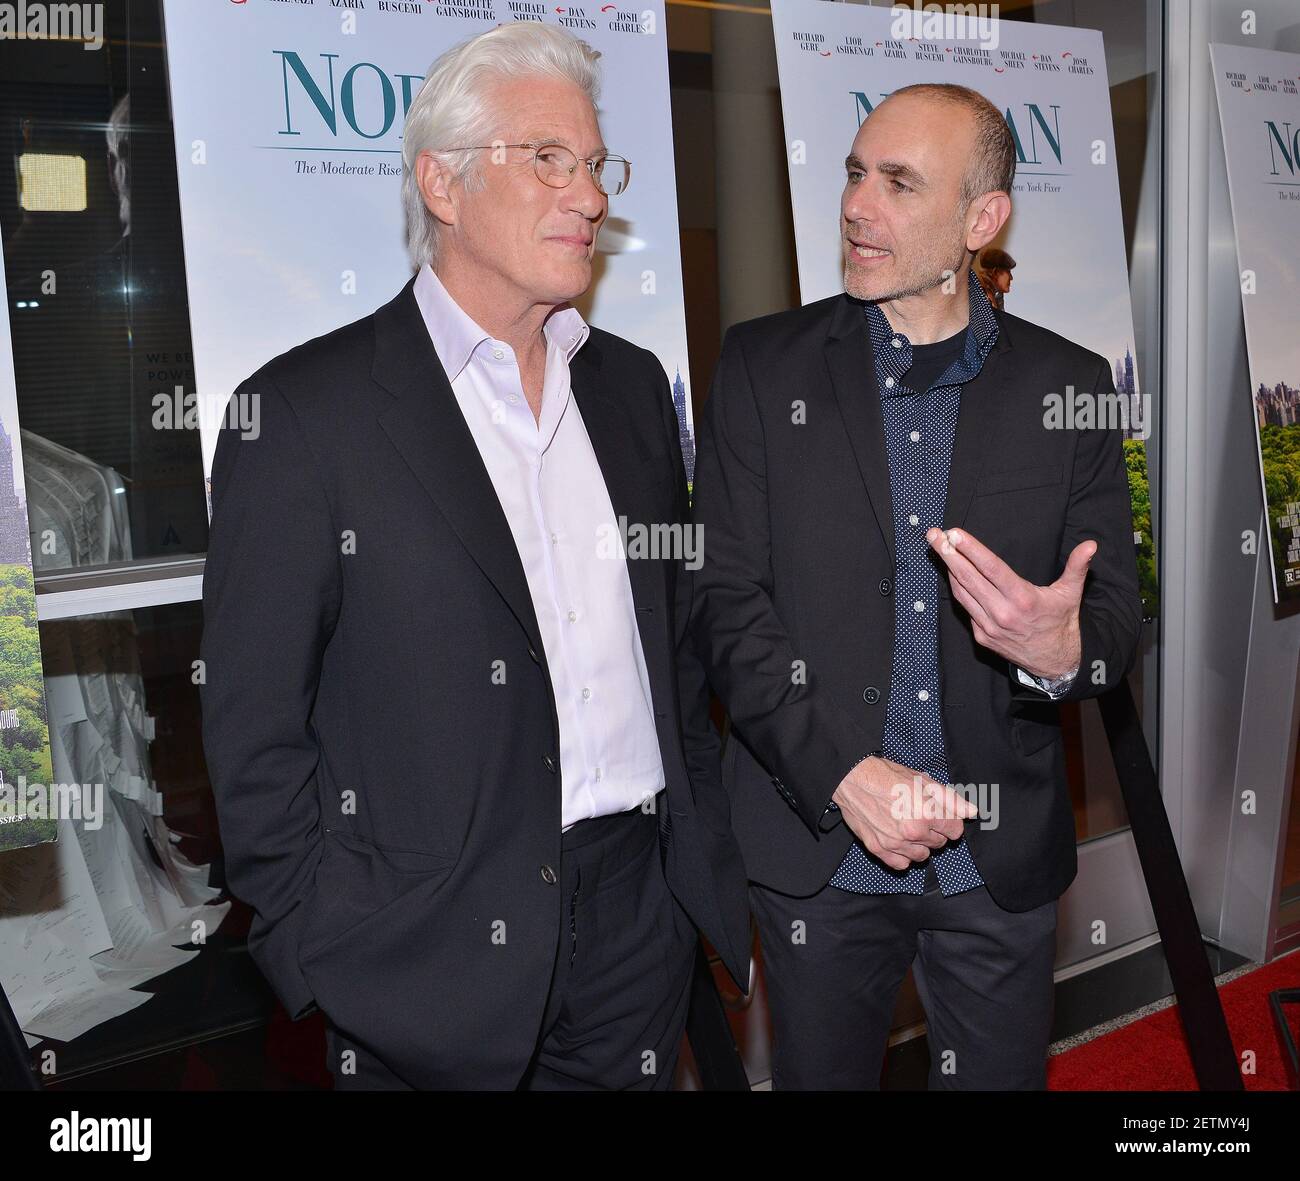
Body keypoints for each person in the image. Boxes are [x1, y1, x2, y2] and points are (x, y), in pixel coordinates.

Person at [199, 23, 748, 1091]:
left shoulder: (631, 390)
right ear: (441, 185)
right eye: (548, 159)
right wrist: (319, 941)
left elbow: (674, 657)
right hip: (420, 950)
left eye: (595, 166)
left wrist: (692, 867)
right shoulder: (305, 414)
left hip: (637, 916)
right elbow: (254, 726)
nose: (588, 196)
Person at [690, 82, 1142, 1090]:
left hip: (998, 857)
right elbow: (725, 603)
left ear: (981, 220)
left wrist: (1061, 649)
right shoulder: (765, 369)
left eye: (898, 183)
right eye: (855, 173)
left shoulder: (1065, 385)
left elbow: (1112, 616)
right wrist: (845, 774)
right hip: (818, 849)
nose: (857, 205)